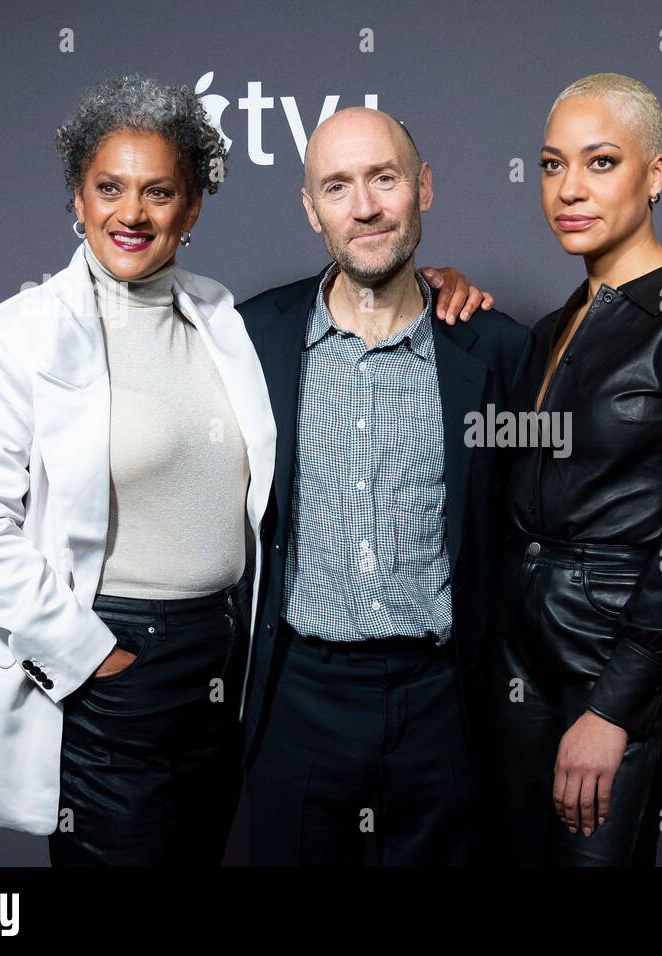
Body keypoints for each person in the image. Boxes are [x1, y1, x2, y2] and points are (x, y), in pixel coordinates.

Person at [0, 74, 488, 866]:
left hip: (226, 670)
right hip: (111, 662)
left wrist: (436, 283)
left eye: (159, 191)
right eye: (108, 188)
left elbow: (370, 289)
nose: (132, 213)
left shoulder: (227, 318)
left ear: (191, 209)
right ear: (77, 201)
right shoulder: (13, 336)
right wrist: (93, 658)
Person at [490, 72, 662, 866]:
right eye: (552, 165)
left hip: (615, 654)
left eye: (600, 162)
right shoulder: (551, 329)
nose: (569, 189)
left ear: (655, 175)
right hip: (515, 653)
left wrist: (613, 709)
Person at [239, 106, 531, 866]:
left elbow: (530, 536)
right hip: (298, 700)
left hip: (447, 704)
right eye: (336, 187)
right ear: (311, 210)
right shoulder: (251, 339)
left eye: (384, 178)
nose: (364, 206)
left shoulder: (498, 350)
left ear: (424, 188)